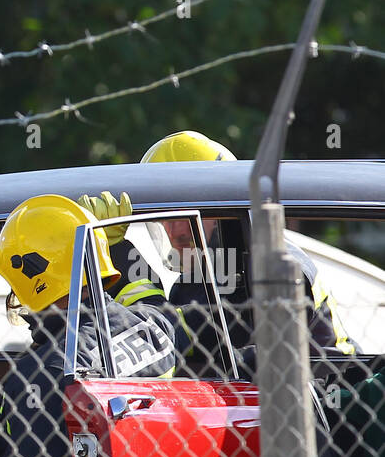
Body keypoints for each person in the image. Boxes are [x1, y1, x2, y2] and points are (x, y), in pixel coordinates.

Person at [0, 195, 175, 457]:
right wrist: (117, 247)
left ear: (35, 276)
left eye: (13, 283)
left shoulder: (41, 373)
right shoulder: (155, 327)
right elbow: (151, 303)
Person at [142, 130, 358, 358]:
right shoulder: (192, 283)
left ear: (221, 209)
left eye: (183, 215)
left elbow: (265, 365)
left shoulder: (279, 267)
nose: (174, 231)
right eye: (164, 218)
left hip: (327, 389)